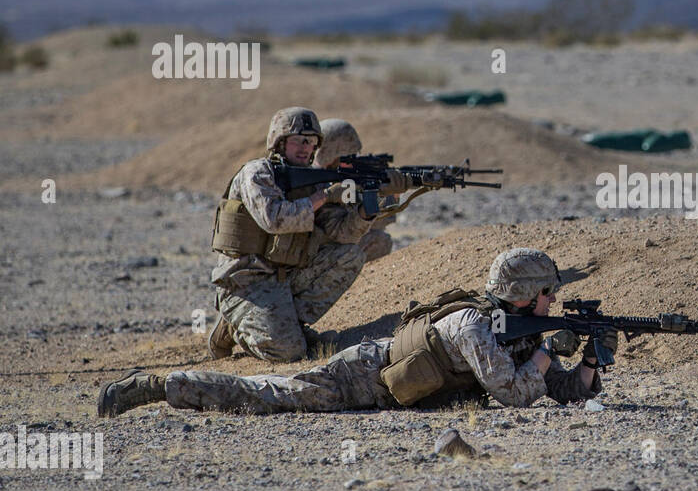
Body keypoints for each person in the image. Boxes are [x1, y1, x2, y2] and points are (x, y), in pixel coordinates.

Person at [98, 248, 617, 417]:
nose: (555, 300)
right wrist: (548, 353)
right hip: (361, 375)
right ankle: (160, 385)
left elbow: (558, 391)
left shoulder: (515, 329)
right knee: (270, 396)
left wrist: (589, 364)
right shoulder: (474, 325)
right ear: (525, 294)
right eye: (548, 291)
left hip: (396, 391)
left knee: (273, 397)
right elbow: (514, 394)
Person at [207, 107, 390, 363]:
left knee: (349, 255)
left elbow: (341, 233)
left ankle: (288, 326)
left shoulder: (312, 182)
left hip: (284, 277)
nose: (306, 147)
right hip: (246, 281)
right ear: (279, 143)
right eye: (299, 141)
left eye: (312, 142)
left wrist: (366, 211)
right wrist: (323, 196)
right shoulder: (257, 174)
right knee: (290, 354)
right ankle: (235, 327)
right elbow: (274, 219)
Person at [314, 118, 396, 264]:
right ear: (329, 157)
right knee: (379, 241)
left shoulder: (343, 180)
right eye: (348, 158)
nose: (353, 163)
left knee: (379, 237)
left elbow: (380, 222)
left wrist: (391, 195)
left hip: (329, 245)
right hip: (317, 254)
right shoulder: (319, 185)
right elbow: (341, 233)